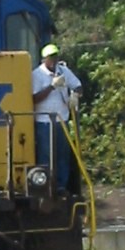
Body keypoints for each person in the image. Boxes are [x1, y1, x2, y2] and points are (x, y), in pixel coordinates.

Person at [31, 43, 82, 190]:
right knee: (45, 154)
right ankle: (45, 184)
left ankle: (61, 185)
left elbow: (78, 85)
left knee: (62, 154)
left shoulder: (63, 71)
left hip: (62, 119)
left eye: (55, 57)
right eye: (50, 58)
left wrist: (75, 94)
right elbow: (33, 99)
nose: (53, 60)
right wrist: (52, 86)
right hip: (44, 121)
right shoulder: (37, 75)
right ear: (44, 59)